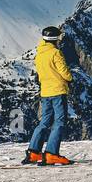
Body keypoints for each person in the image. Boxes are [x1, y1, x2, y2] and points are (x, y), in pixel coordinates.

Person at [24, 25, 73, 166]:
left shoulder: (39, 54)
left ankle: (34, 152)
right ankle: (51, 153)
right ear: (55, 38)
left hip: (45, 92)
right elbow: (64, 72)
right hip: (58, 91)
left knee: (44, 122)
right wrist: (70, 78)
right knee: (59, 122)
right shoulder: (55, 53)